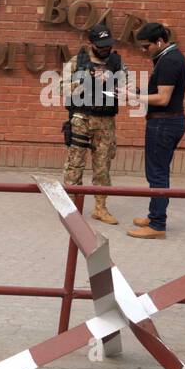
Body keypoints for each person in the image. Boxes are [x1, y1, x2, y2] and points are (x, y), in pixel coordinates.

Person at [126, 22, 185, 238]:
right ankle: (154, 216)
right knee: (157, 172)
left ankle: (157, 225)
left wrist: (134, 97)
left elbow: (163, 98)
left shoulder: (170, 61)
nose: (144, 51)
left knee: (157, 174)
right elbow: (158, 90)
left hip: (164, 123)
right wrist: (134, 90)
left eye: (146, 47)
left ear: (159, 42)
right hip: (167, 121)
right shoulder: (167, 57)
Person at [61, 24, 126, 225]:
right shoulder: (77, 62)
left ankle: (100, 208)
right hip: (81, 119)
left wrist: (115, 84)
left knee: (103, 166)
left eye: (108, 45)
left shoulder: (117, 62)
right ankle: (71, 210)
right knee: (75, 165)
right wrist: (87, 81)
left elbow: (127, 89)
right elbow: (63, 89)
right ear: (91, 44)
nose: (105, 49)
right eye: (101, 45)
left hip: (105, 122)